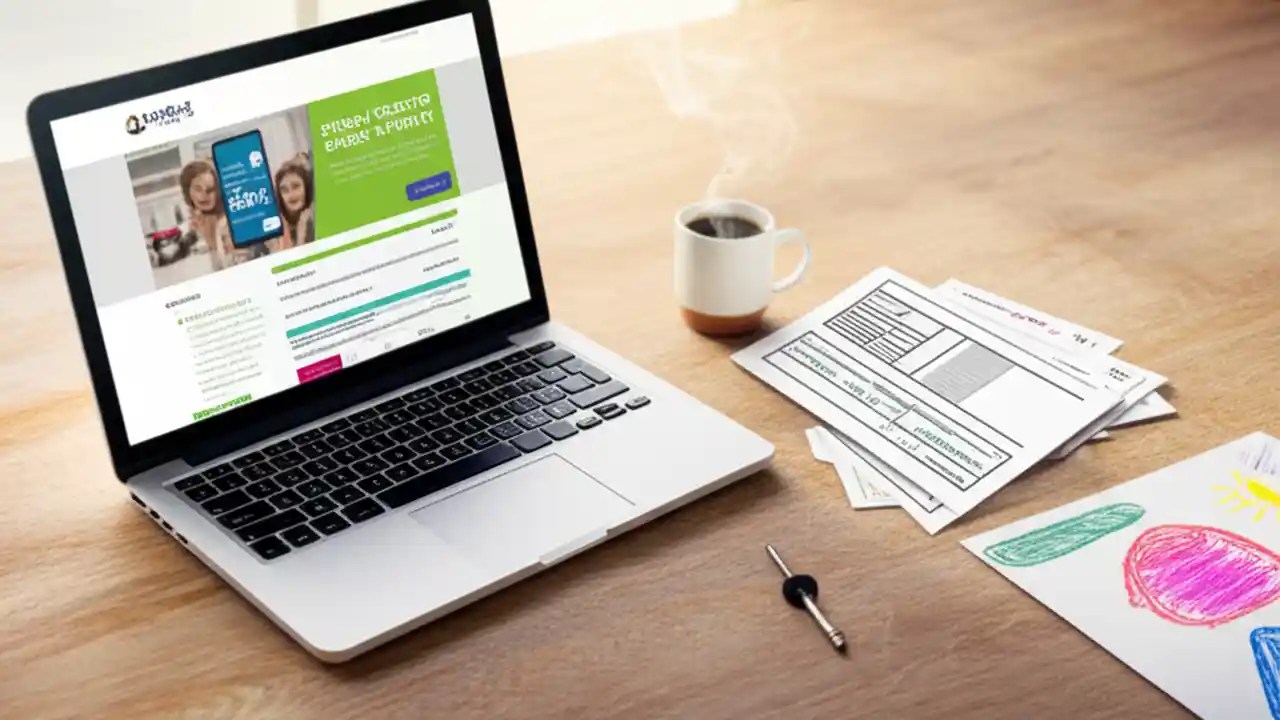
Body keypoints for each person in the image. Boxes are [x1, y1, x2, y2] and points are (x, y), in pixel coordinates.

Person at [178, 159, 247, 270]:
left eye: (210, 189)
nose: (204, 195)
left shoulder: (231, 218)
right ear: (188, 192)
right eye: (198, 189)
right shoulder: (202, 221)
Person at [274, 159, 316, 249]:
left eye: (296, 186)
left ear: (306, 187)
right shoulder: (276, 227)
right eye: (284, 190)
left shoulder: (317, 216)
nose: (291, 195)